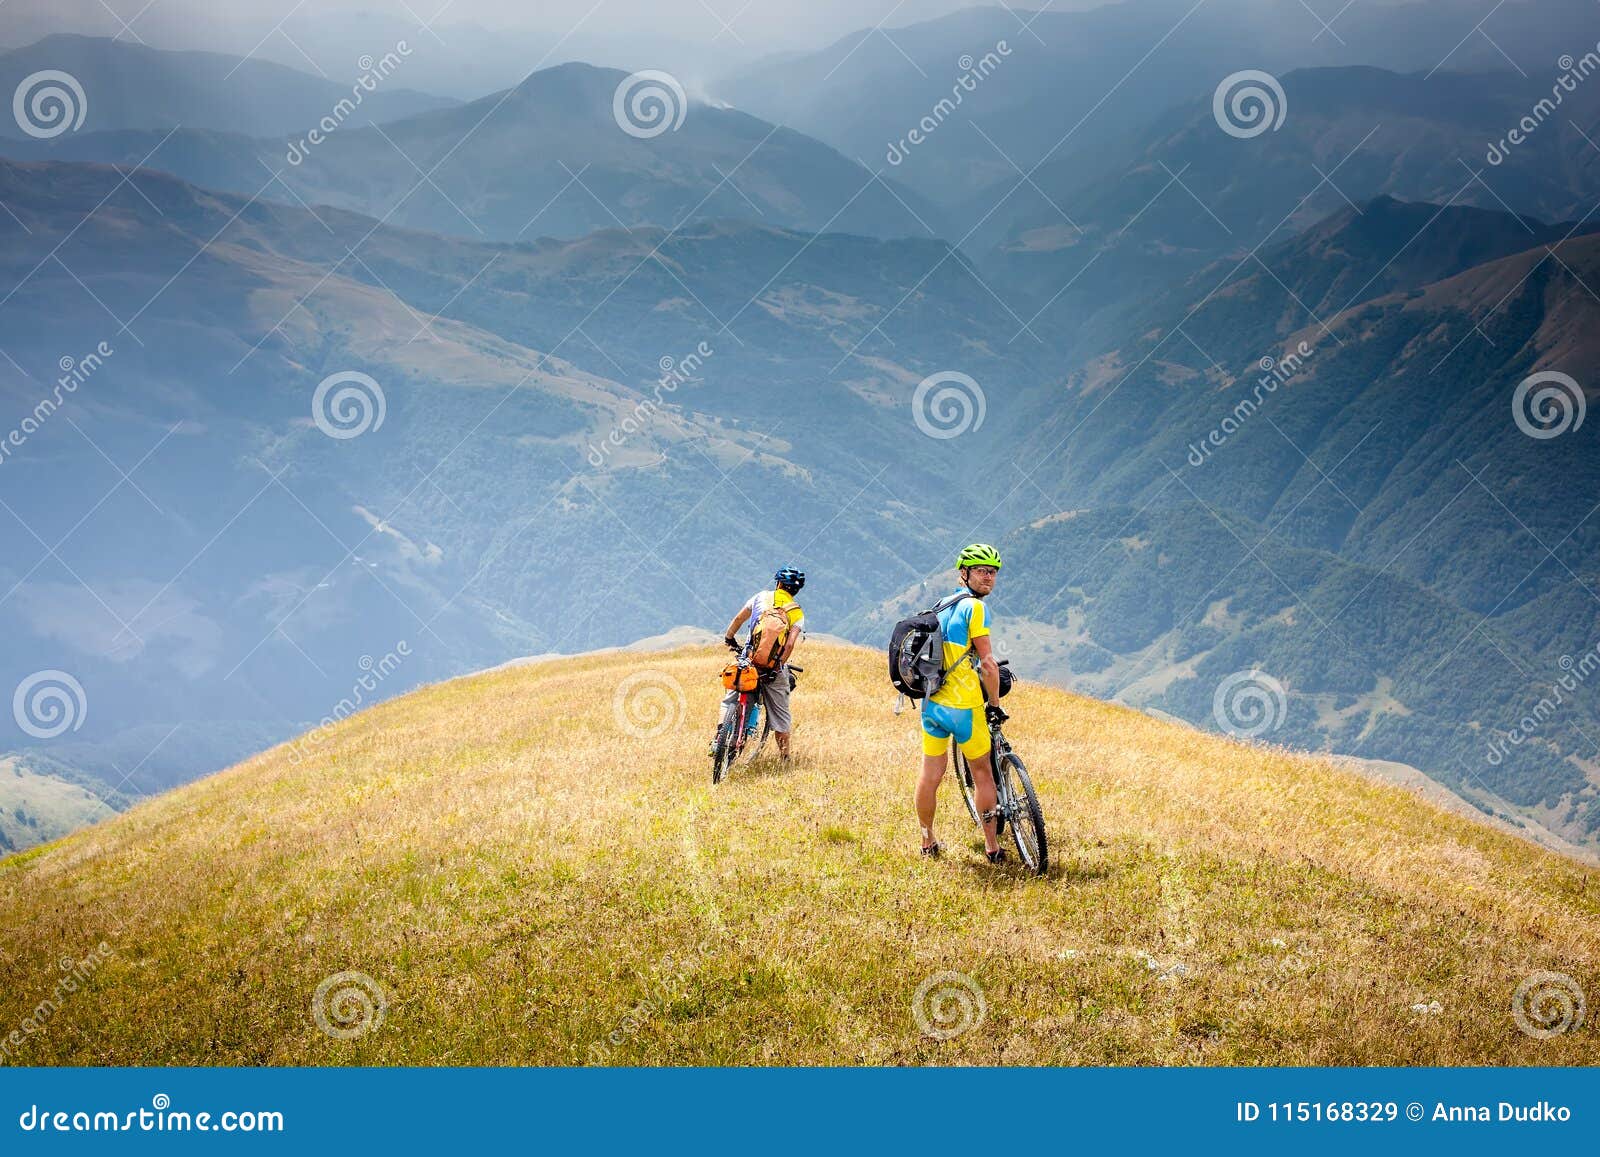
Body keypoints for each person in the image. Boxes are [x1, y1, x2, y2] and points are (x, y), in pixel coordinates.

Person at [916, 544, 1007, 863]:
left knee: (929, 776)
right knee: (983, 775)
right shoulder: (976, 609)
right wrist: (994, 704)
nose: (989, 577)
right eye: (982, 570)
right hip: (964, 707)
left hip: (932, 705)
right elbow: (988, 664)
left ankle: (927, 842)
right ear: (964, 573)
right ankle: (992, 847)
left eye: (993, 572)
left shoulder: (940, 605)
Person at [719, 567, 806, 760]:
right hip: (771, 667)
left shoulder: (760, 597)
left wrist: (729, 638)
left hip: (749, 660)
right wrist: (778, 666)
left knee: (731, 695)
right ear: (796, 591)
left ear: (778, 583)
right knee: (781, 714)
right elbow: (790, 643)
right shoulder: (796, 612)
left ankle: (719, 738)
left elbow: (738, 619)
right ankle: (784, 759)